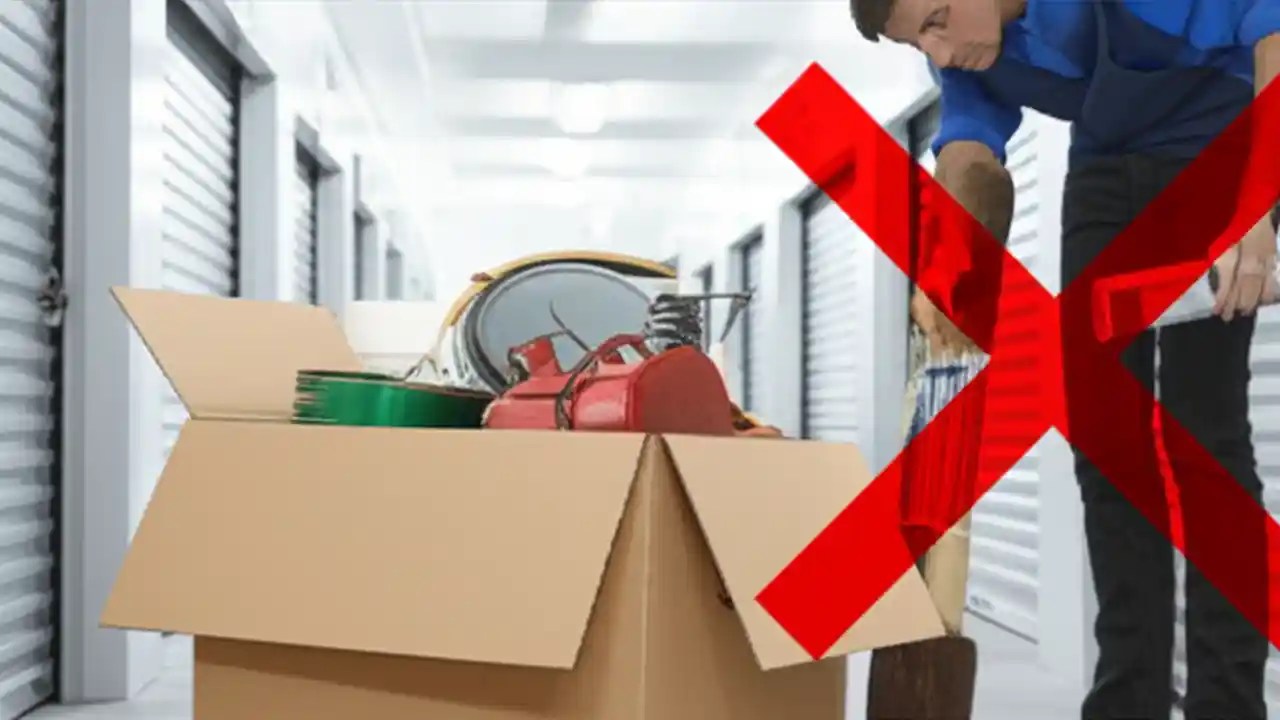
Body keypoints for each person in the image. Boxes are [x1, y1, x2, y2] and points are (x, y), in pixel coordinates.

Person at [849, 1, 1280, 719]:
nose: (941, 52)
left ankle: (1229, 702)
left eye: (937, 19)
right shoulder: (965, 45)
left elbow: (1270, 32)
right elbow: (969, 151)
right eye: (920, 40)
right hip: (1105, 179)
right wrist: (954, 272)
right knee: (1107, 448)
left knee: (1206, 442)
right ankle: (1128, 698)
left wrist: (1258, 205)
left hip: (1215, 154)